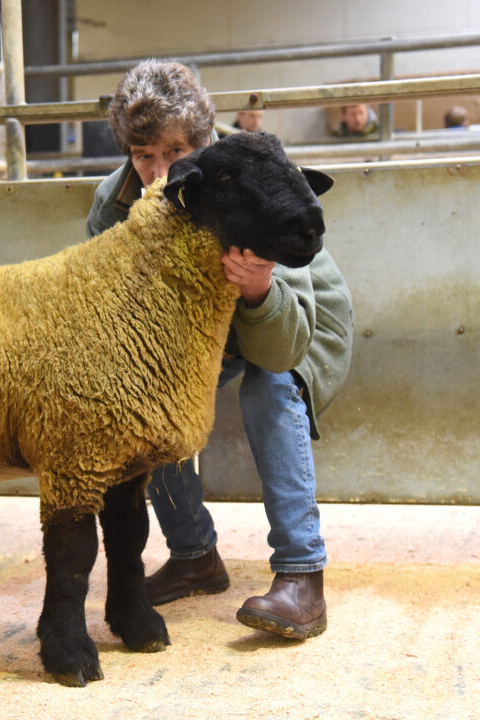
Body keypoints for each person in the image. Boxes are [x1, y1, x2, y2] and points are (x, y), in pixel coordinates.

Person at [87, 59, 354, 640]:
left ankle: (301, 575)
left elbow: (284, 347)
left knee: (271, 384)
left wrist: (259, 286)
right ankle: (194, 557)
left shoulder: (259, 177)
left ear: (205, 142)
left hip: (295, 323)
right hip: (200, 333)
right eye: (144, 155)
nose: (160, 173)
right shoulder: (114, 206)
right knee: (146, 396)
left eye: (176, 153)